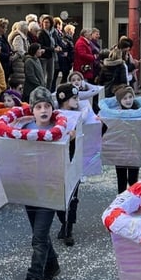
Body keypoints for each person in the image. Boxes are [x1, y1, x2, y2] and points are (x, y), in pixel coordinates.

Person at [18, 87, 64, 280]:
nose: (43, 110)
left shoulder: (61, 129)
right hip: (30, 188)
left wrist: (71, 139)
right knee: (40, 233)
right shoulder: (23, 128)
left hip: (50, 189)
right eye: (39, 107)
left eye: (47, 106)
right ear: (32, 110)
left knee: (38, 238)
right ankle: (52, 265)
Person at [54, 83, 80, 246]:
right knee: (59, 194)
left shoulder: (80, 116)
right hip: (59, 159)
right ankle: (63, 221)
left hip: (75, 159)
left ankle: (68, 227)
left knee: (73, 195)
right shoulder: (55, 116)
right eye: (74, 98)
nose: (77, 101)